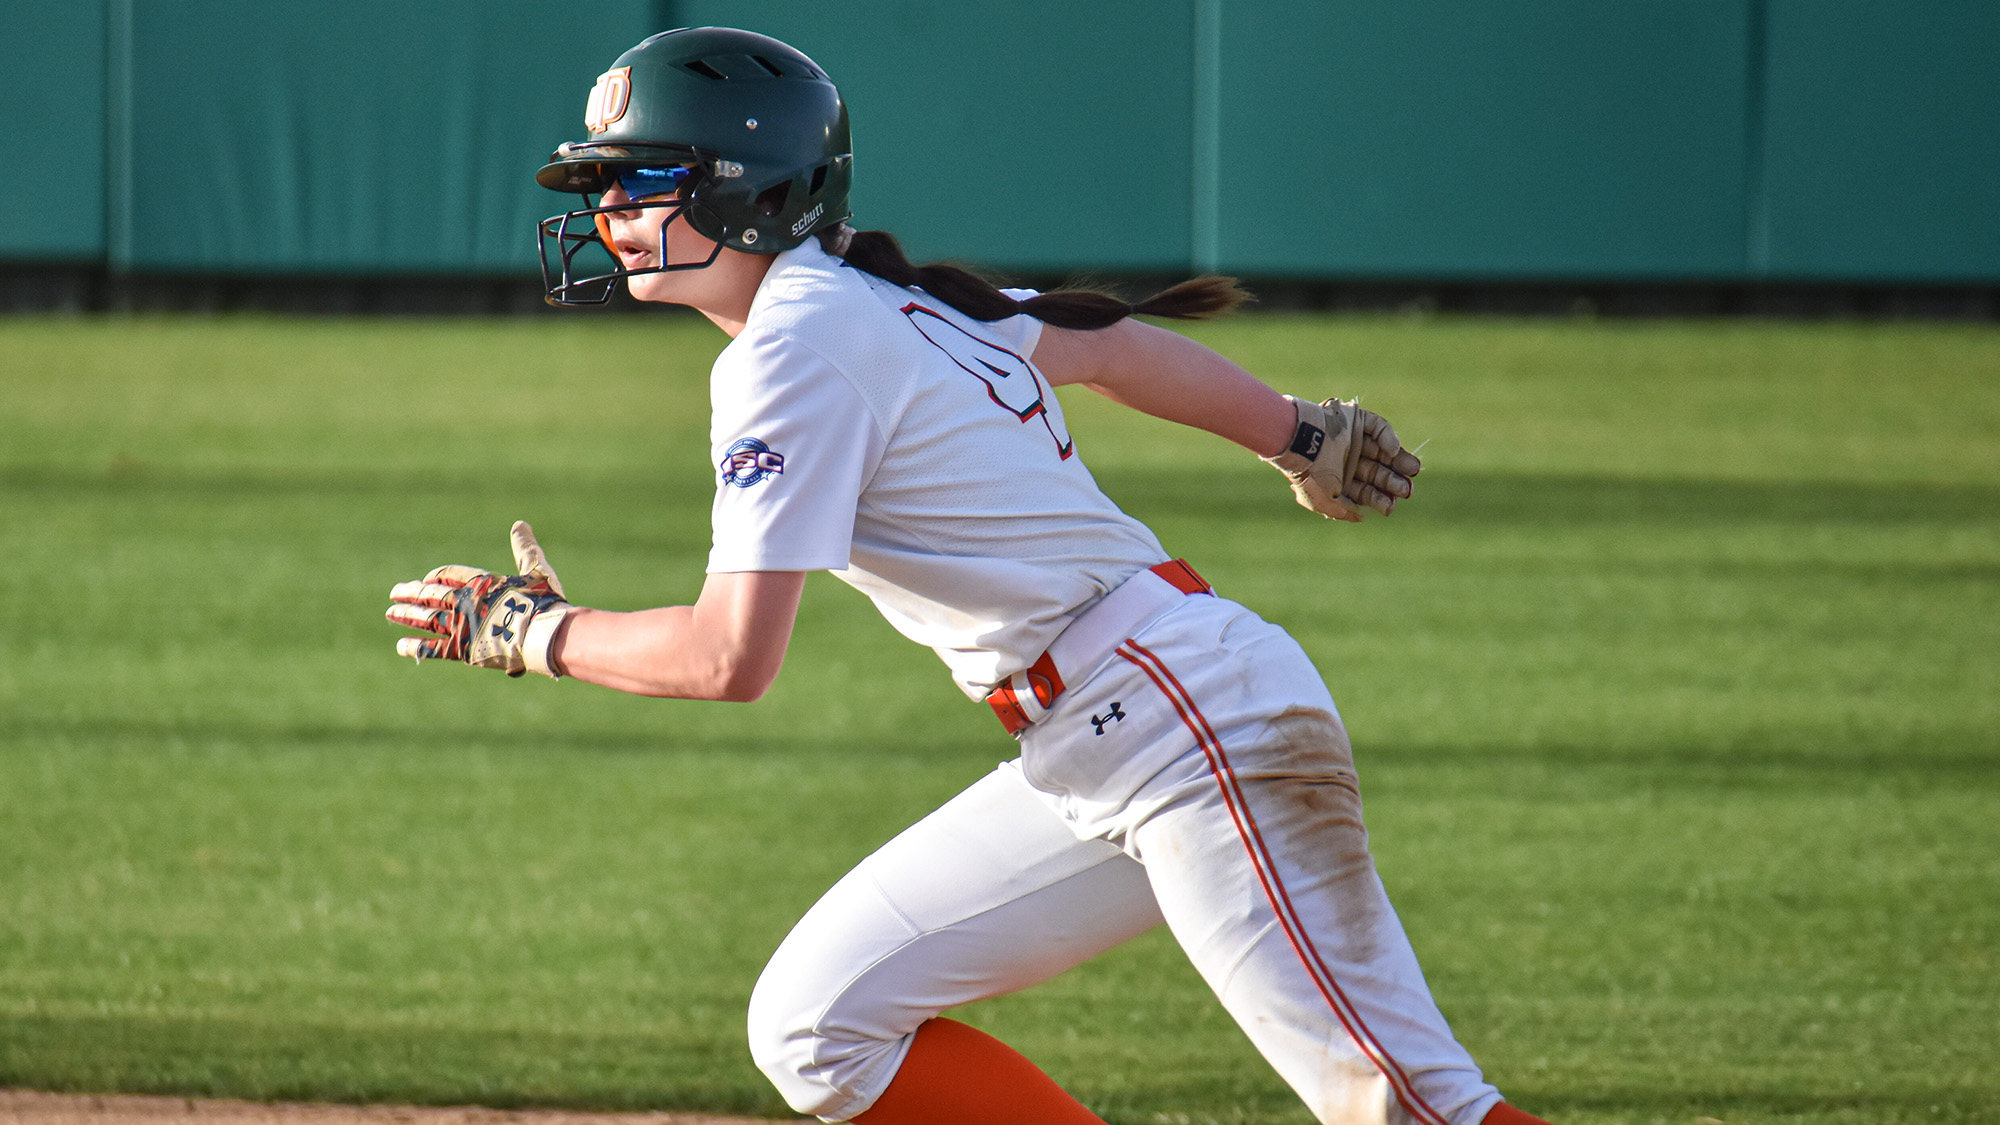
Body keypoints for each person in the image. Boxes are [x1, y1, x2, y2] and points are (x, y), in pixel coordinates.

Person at [387, 26, 1554, 1125]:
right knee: (817, 1024)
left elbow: (726, 659)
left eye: (641, 179)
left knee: (1409, 1106)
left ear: (746, 186)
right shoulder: (872, 299)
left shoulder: (796, 346)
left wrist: (529, 630)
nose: (606, 208)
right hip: (1107, 730)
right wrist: (1295, 434)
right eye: (603, 183)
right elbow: (1108, 344)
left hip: (1186, 723)